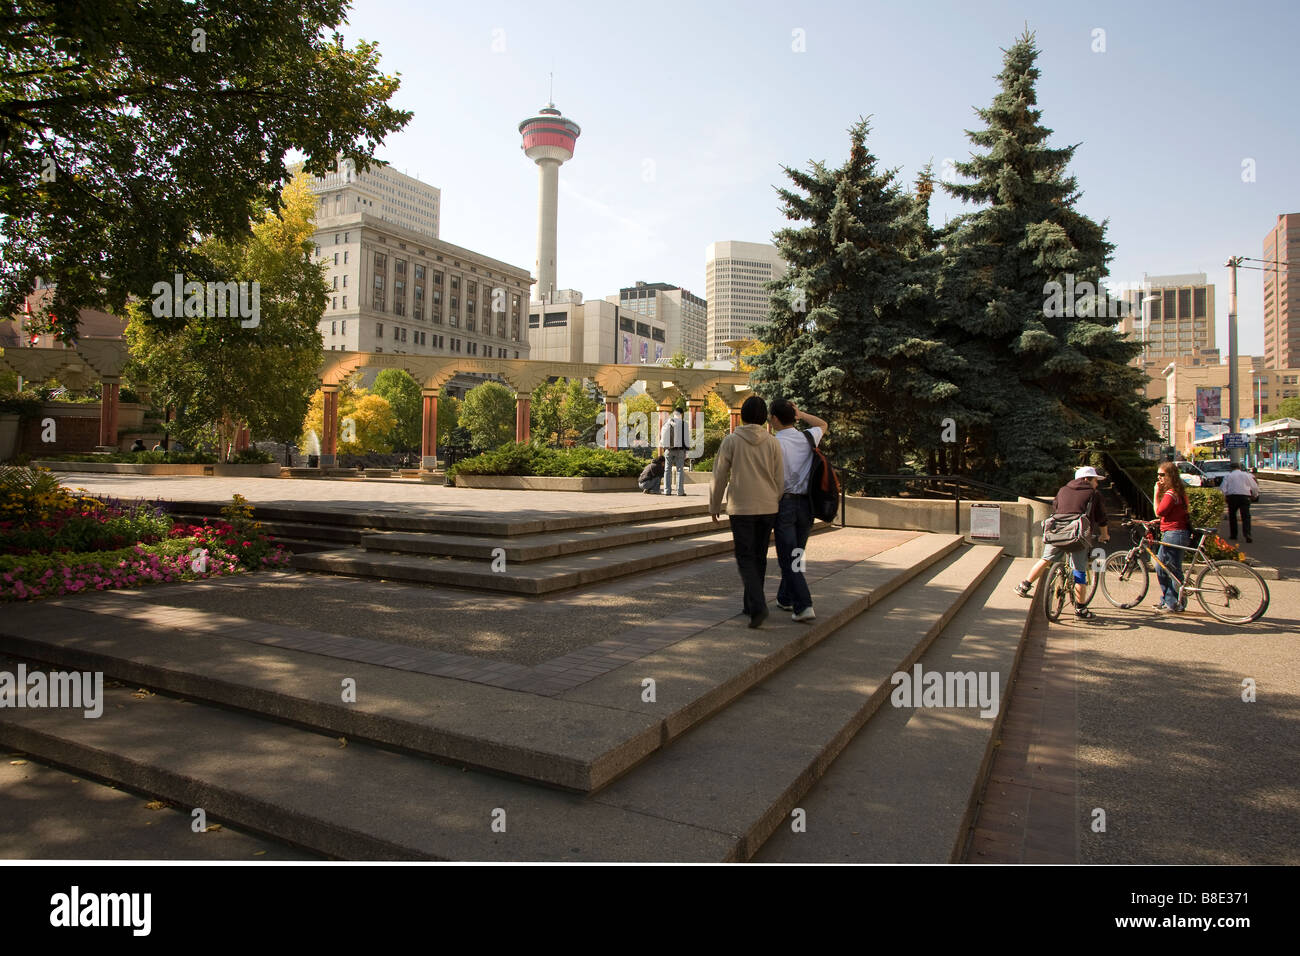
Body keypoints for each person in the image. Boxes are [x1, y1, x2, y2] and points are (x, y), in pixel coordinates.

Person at [710, 395, 784, 628]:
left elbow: (719, 475)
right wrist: (774, 498)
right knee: (759, 556)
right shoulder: (773, 442)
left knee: (745, 557)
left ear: (742, 415)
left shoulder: (731, 441)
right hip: (768, 506)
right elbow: (780, 478)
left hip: (741, 507)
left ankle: (757, 605)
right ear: (764, 417)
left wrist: (714, 505)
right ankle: (751, 603)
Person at [1014, 466, 1110, 619]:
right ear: (1086, 479)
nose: (1096, 484)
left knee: (1045, 560)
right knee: (1079, 572)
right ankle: (1080, 609)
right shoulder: (1094, 494)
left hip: (1057, 533)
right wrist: (1104, 535)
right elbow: (1101, 517)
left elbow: (1056, 509)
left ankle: (1024, 585)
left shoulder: (1062, 490)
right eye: (1095, 480)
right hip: (1078, 536)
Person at [768, 398, 828, 623]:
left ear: (774, 418)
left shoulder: (773, 443)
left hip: (784, 504)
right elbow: (823, 424)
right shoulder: (807, 437)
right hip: (807, 504)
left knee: (788, 556)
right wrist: (801, 415)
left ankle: (804, 605)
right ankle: (785, 597)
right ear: (792, 416)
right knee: (796, 554)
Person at [1150, 460, 1193, 612]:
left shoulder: (1170, 493)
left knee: (1168, 569)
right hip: (1178, 532)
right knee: (1166, 567)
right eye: (1158, 475)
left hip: (1173, 534)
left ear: (1171, 476)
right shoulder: (1179, 492)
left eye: (1162, 475)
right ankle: (1170, 600)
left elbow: (1159, 511)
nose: (1159, 478)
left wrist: (1156, 493)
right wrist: (1162, 520)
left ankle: (1172, 603)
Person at [1220, 462, 1260, 543]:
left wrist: (1223, 497)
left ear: (1231, 468)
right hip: (1244, 497)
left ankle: (1233, 535)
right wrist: (1255, 495)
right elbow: (1254, 486)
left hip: (1232, 497)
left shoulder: (1228, 476)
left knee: (1232, 516)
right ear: (1239, 468)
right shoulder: (1246, 475)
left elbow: (1223, 488)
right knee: (1246, 516)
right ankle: (1247, 534)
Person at [659, 406, 691, 496]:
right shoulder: (684, 424)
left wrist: (664, 448)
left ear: (674, 414)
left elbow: (662, 436)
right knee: (680, 470)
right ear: (681, 414)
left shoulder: (667, 423)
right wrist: (687, 451)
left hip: (668, 450)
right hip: (680, 450)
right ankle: (680, 491)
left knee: (667, 469)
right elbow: (686, 439)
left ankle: (667, 490)